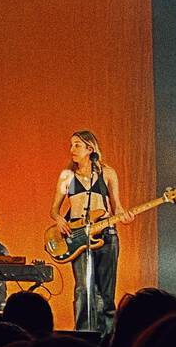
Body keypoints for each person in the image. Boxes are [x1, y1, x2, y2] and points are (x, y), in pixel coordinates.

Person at [50, 130, 134, 335]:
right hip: (78, 238)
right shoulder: (67, 176)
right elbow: (54, 209)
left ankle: (107, 337)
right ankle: (84, 335)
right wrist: (60, 220)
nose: (72, 150)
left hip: (107, 235)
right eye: (71, 145)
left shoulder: (108, 173)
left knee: (105, 292)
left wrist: (125, 216)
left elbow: (117, 207)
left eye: (77, 145)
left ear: (90, 148)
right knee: (84, 289)